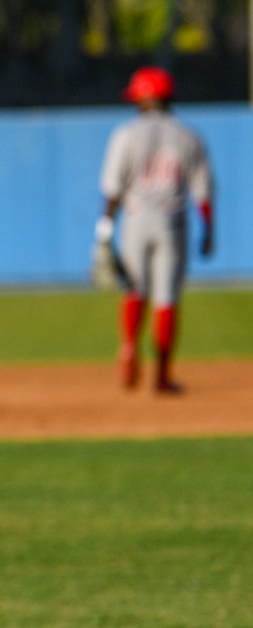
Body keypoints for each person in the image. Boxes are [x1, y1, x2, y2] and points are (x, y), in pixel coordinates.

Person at [96, 67, 213, 394]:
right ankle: (161, 376)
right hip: (173, 221)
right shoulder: (189, 135)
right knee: (167, 298)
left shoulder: (125, 134)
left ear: (141, 99)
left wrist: (104, 233)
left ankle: (129, 347)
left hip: (136, 219)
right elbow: (202, 192)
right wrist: (209, 230)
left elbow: (112, 191)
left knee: (135, 288)